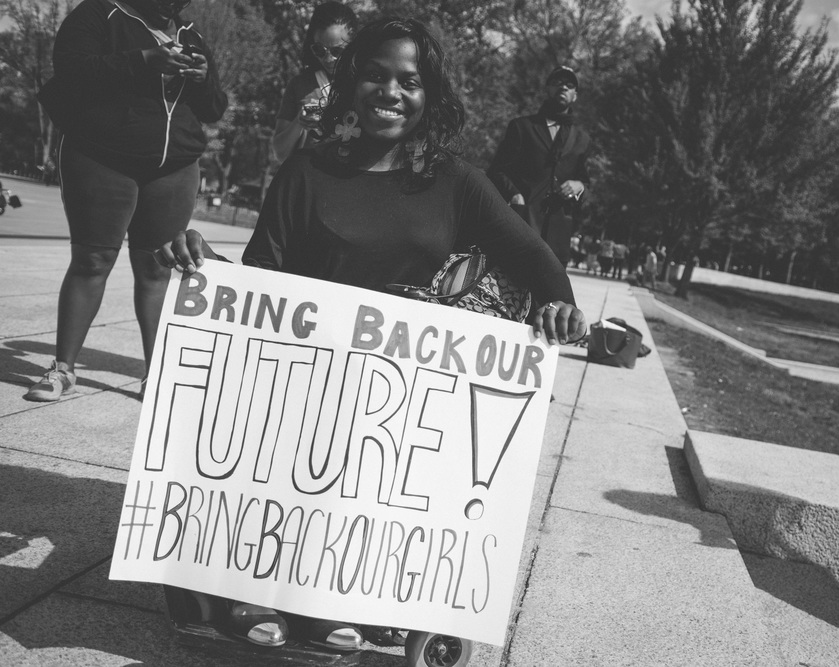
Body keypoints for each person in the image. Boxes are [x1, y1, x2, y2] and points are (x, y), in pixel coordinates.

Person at [157, 16, 587, 652]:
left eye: (409, 81)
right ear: (351, 84)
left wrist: (559, 304)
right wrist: (202, 265)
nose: (391, 90)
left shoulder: (456, 181)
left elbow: (537, 260)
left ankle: (349, 591)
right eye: (375, 74)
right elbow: (262, 283)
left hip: (397, 402)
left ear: (431, 96)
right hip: (304, 384)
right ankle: (254, 576)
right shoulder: (305, 173)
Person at [26, 0, 227, 402]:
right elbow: (72, 72)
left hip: (174, 168)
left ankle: (157, 376)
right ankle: (62, 370)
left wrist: (204, 78)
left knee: (158, 270)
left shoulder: (192, 36)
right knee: (93, 260)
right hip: (101, 157)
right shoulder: (100, 14)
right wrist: (144, 59)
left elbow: (213, 108)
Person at [487, 65, 591, 266]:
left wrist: (579, 187)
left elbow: (586, 184)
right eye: (557, 82)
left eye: (569, 85)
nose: (563, 87)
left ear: (575, 96)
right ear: (547, 88)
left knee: (549, 296)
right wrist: (515, 196)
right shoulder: (522, 127)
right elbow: (497, 171)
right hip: (522, 224)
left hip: (558, 234)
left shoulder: (583, 139)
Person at [271, 1, 358, 163]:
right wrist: (299, 121)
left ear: (353, 47)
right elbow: (280, 153)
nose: (328, 58)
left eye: (337, 51)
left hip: (349, 180)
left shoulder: (364, 85)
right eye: (319, 49)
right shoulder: (299, 85)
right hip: (307, 181)